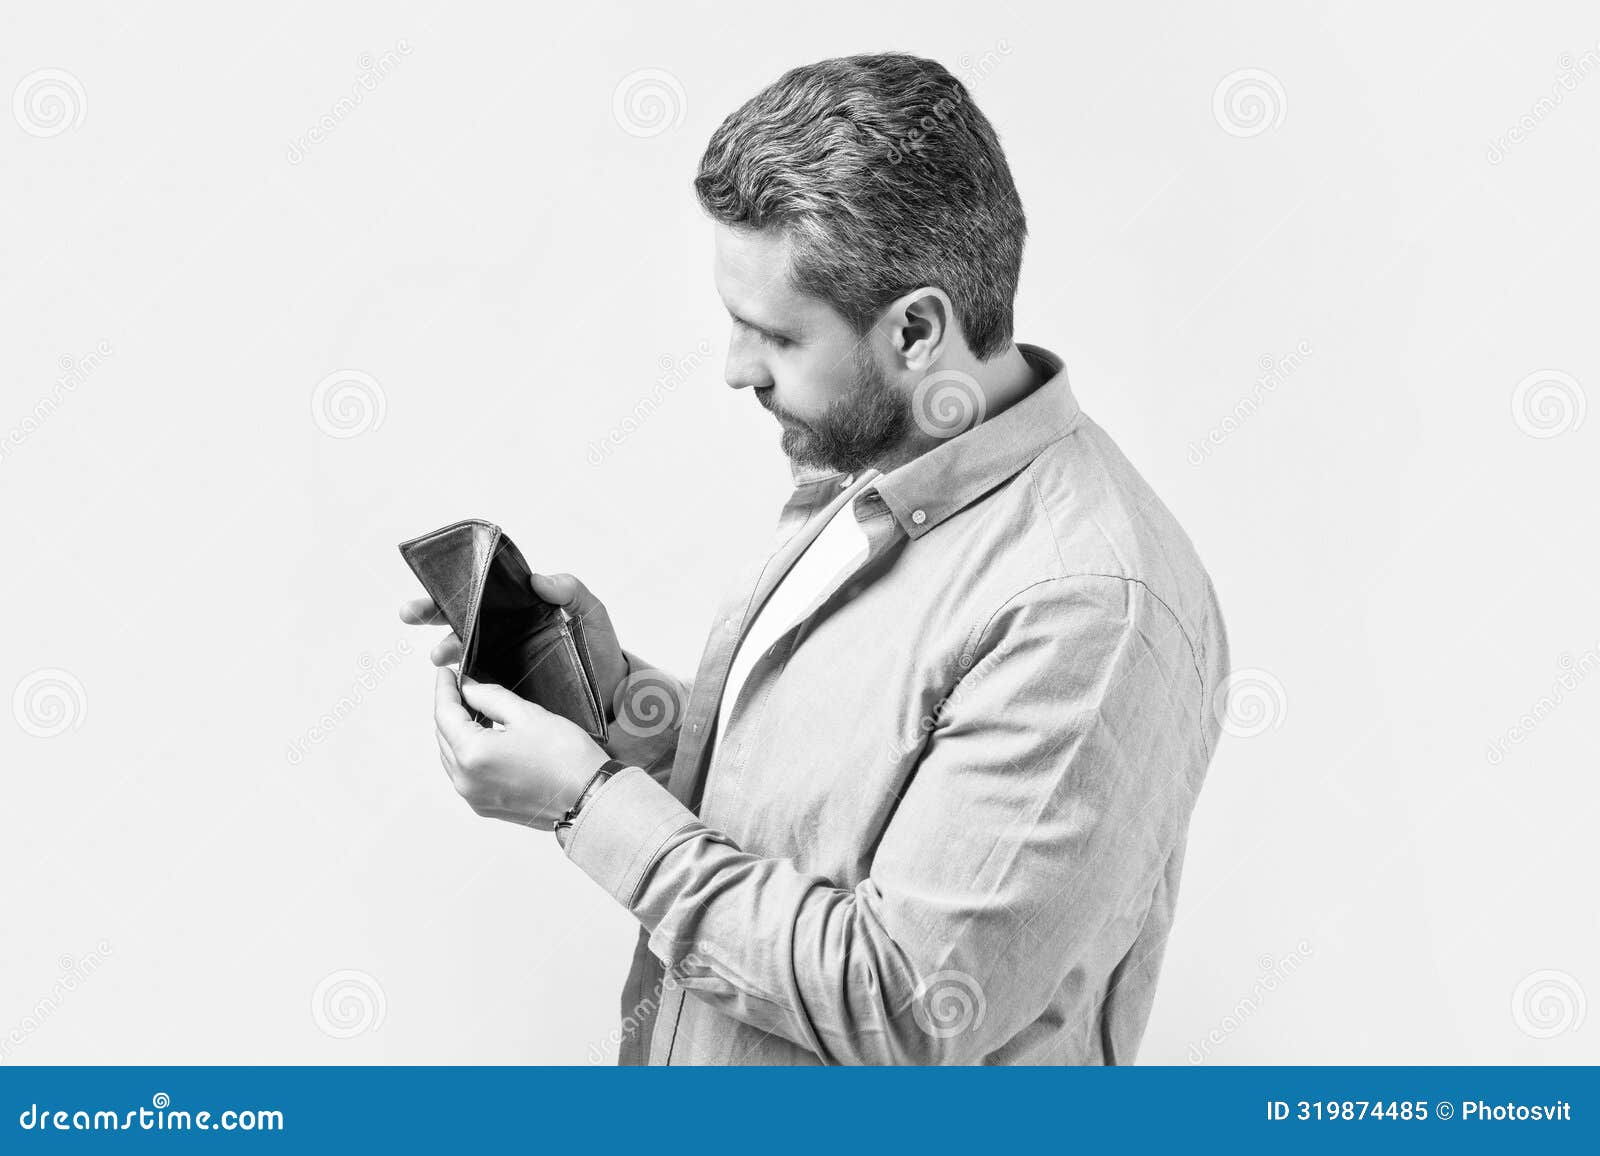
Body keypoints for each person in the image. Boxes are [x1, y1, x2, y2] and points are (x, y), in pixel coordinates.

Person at [400, 52, 1229, 1065]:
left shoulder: (1091, 604)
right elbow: (813, 823)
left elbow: (905, 1002)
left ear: (917, 329)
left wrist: (584, 802)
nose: (735, 368)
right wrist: (616, 707)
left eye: (774, 337)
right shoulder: (876, 468)